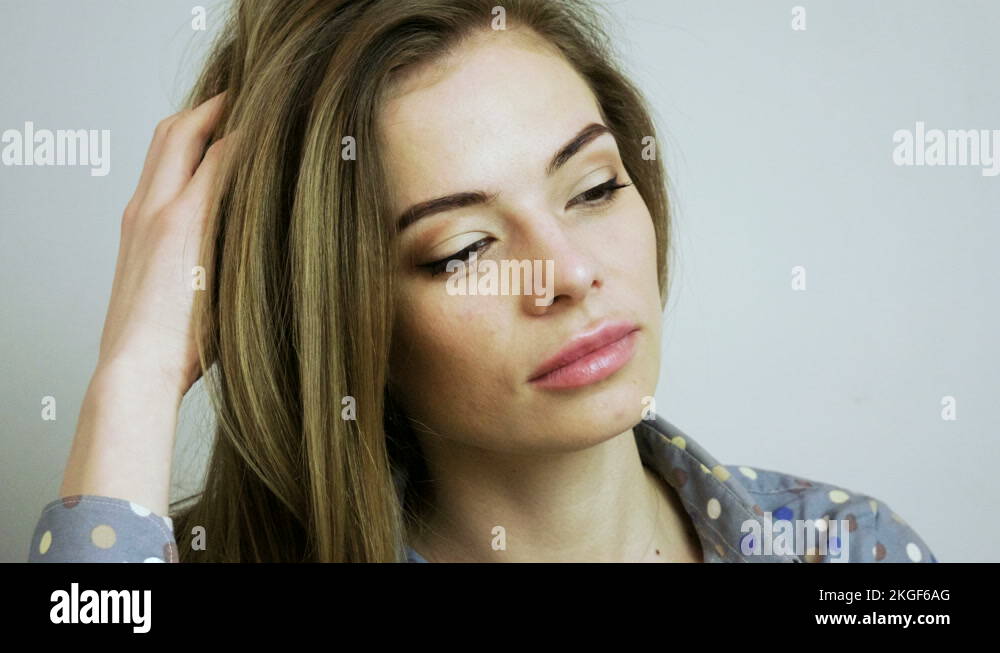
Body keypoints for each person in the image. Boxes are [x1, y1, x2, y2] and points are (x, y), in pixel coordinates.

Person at [27, 0, 937, 563]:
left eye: (592, 188)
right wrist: (138, 371)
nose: (571, 274)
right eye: (462, 249)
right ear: (347, 323)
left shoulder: (849, 553)